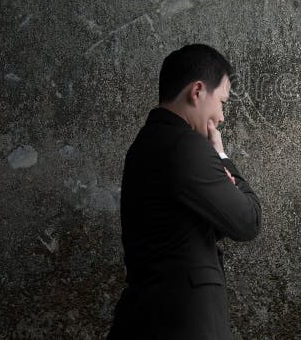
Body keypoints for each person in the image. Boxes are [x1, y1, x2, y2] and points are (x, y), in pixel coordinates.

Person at [107, 44, 261, 340]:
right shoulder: (186, 147)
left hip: (150, 315)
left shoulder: (147, 144)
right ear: (198, 91)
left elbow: (191, 229)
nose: (222, 116)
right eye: (222, 102)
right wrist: (222, 156)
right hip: (183, 322)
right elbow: (248, 221)